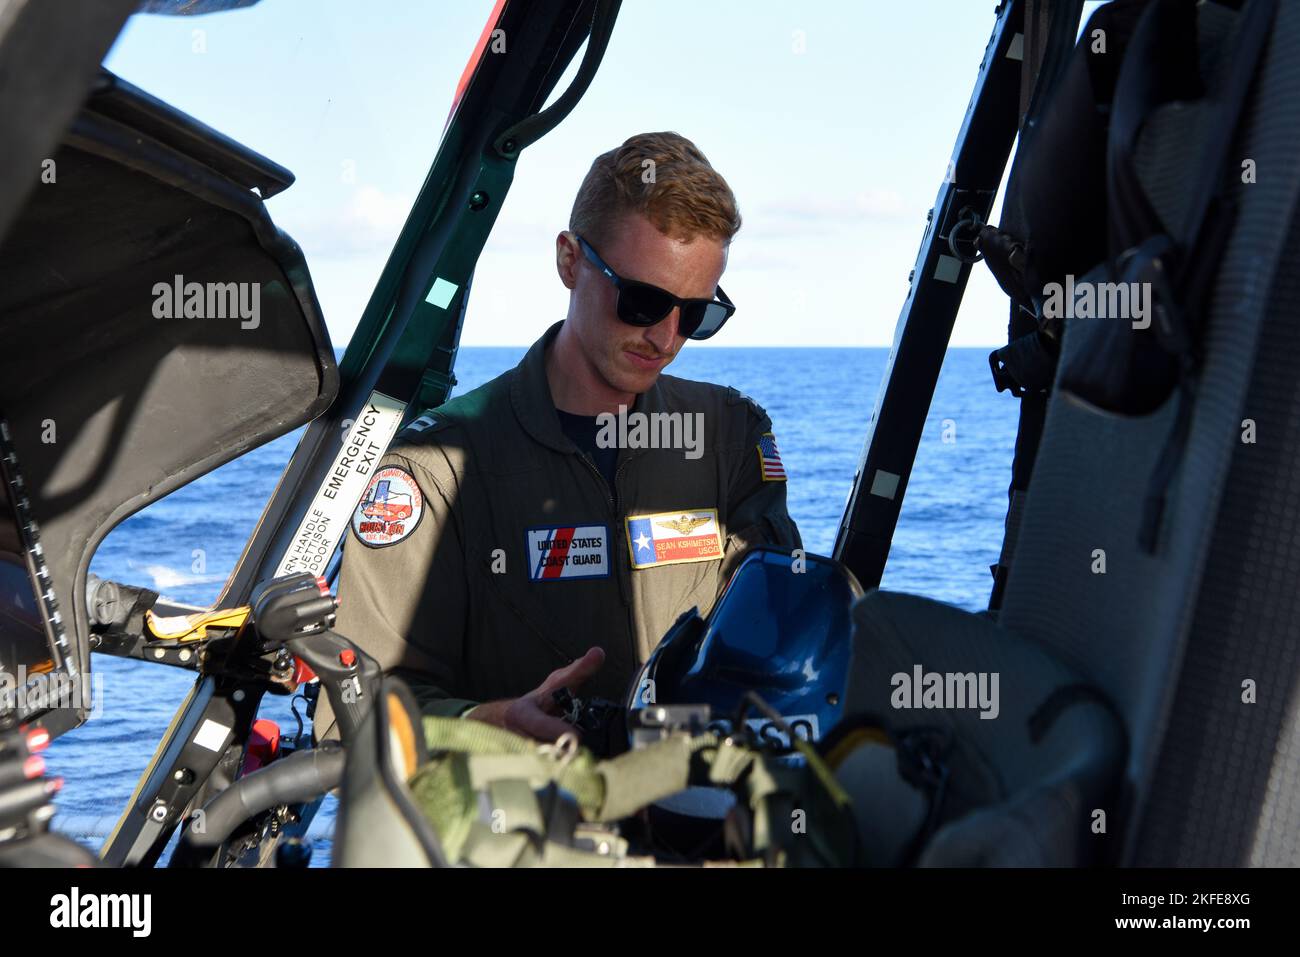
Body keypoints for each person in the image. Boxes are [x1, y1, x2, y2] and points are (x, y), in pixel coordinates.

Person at [314, 132, 800, 744]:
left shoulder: (729, 439)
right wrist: (486, 725)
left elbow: (786, 638)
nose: (666, 338)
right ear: (570, 260)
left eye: (698, 314)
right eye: (643, 301)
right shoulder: (434, 469)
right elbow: (352, 717)